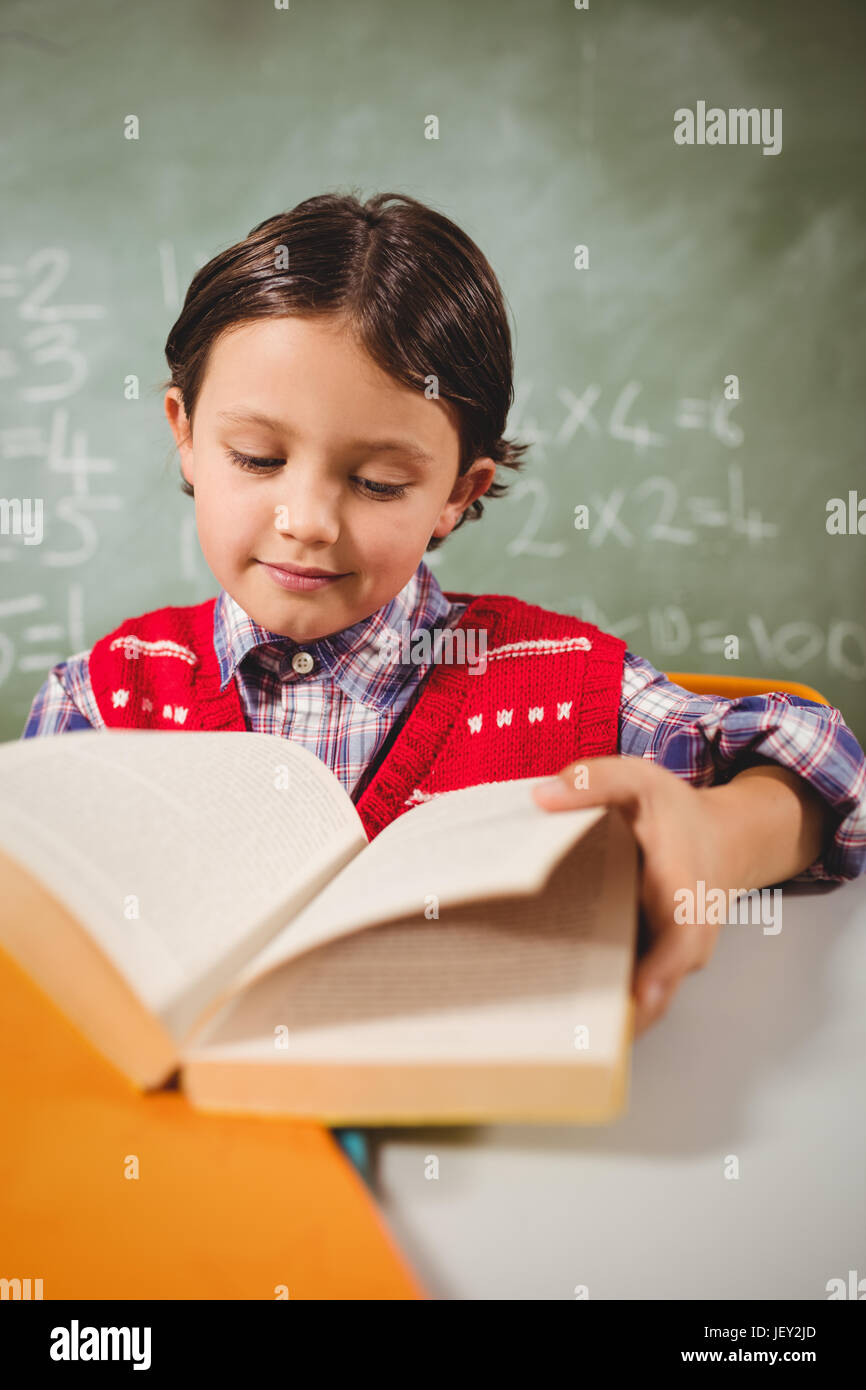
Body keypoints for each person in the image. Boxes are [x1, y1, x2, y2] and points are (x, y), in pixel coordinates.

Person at [21, 188, 866, 1072]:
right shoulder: (103, 699)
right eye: (258, 459)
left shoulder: (555, 687)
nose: (307, 519)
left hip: (496, 1164)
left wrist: (721, 837)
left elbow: (820, 758)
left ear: (458, 497)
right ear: (185, 435)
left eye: (380, 482)